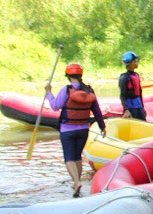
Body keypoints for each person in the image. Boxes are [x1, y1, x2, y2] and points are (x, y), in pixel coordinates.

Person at [45, 63, 107, 197]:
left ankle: (77, 182)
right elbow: (96, 110)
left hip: (67, 129)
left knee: (69, 158)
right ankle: (77, 183)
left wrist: (49, 93)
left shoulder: (66, 90)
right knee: (77, 157)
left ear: (68, 76)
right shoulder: (89, 90)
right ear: (80, 75)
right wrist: (102, 126)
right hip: (83, 129)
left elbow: (56, 106)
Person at [119, 51, 146, 121]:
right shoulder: (124, 78)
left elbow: (140, 92)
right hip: (131, 107)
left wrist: (142, 107)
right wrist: (126, 109)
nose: (136, 62)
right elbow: (122, 95)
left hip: (138, 105)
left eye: (136, 61)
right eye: (134, 61)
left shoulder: (136, 75)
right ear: (129, 63)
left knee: (143, 122)